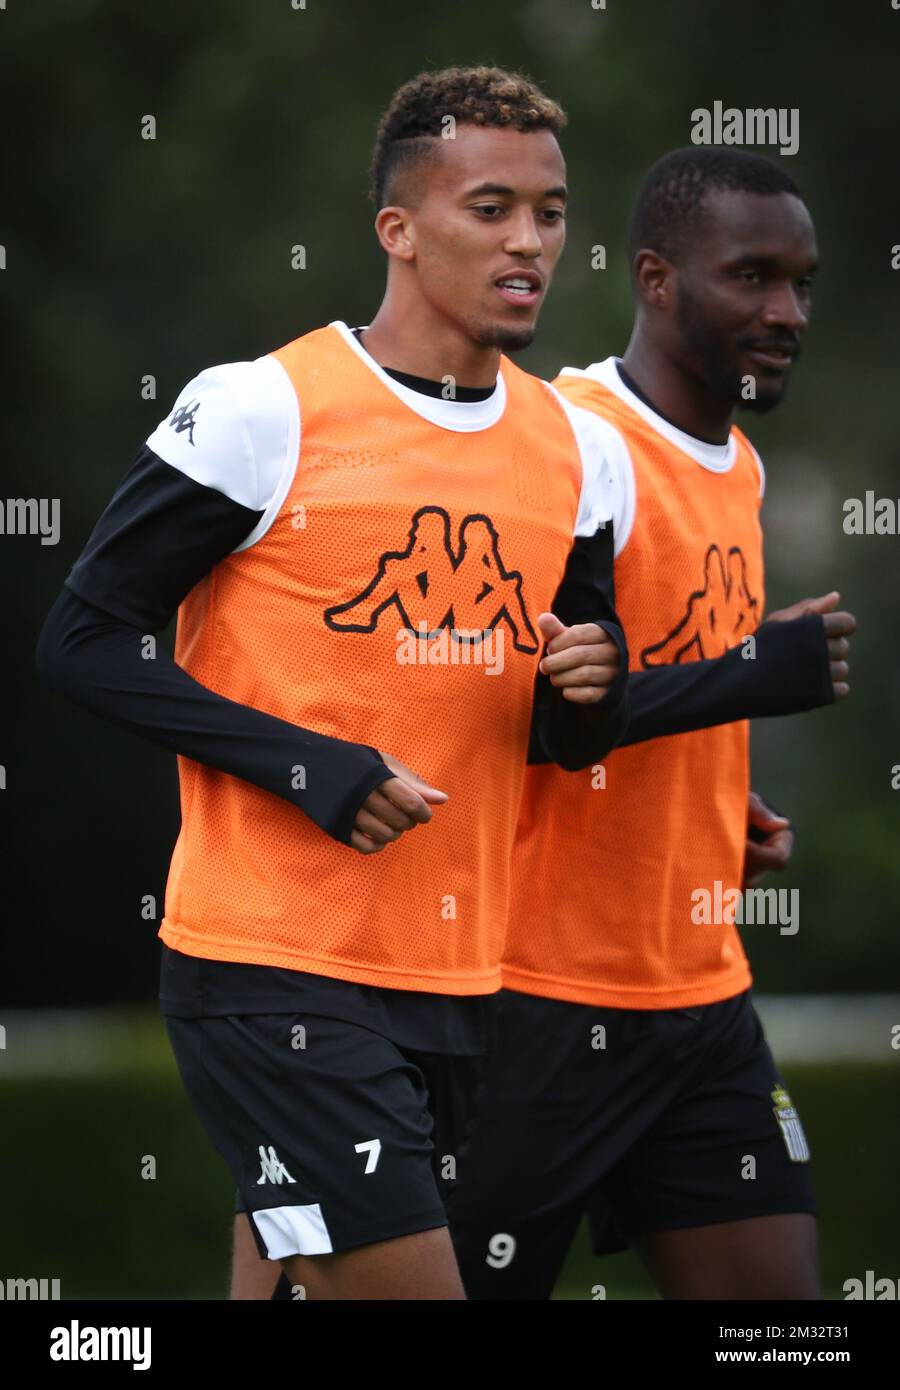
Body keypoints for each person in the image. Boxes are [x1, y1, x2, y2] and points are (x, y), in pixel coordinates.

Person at [35, 66, 631, 1301]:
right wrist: (311, 769)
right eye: (491, 206)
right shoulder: (262, 410)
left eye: (553, 211)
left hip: (461, 981)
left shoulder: (584, 454)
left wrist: (591, 697)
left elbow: (556, 737)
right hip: (270, 971)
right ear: (398, 232)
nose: (531, 241)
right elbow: (85, 640)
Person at [446, 147, 856, 1300]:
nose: (786, 312)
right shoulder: (567, 445)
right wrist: (745, 677)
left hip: (701, 1000)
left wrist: (714, 808)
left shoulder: (741, 466)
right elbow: (507, 715)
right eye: (754, 277)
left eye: (804, 283)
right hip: (534, 1004)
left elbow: (646, 696)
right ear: (658, 279)